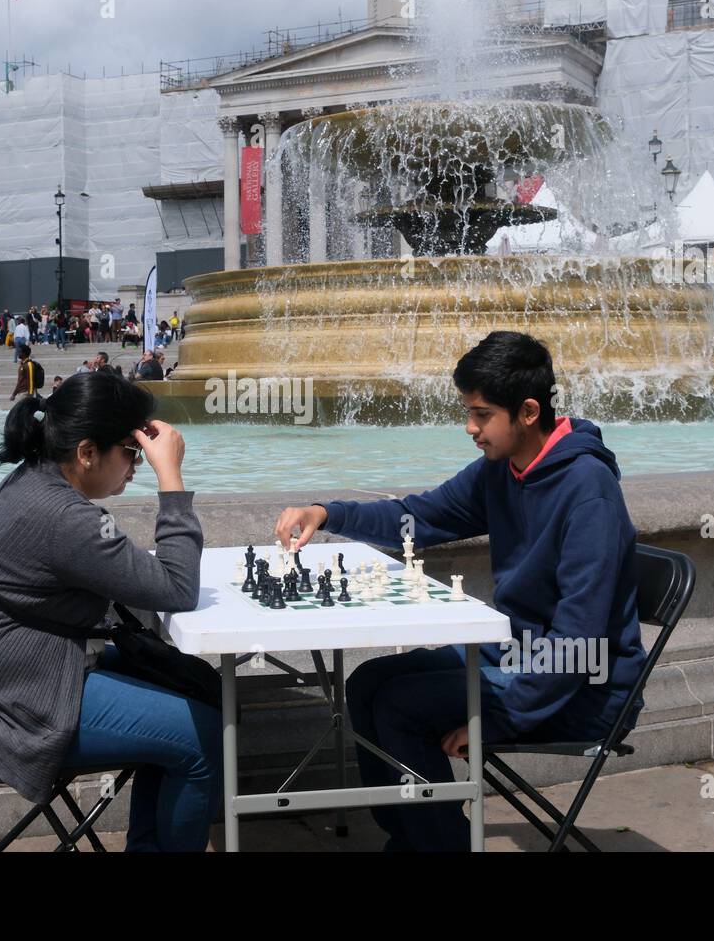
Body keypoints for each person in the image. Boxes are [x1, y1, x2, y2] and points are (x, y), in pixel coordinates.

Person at [273, 331, 647, 852]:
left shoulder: (588, 493)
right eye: (468, 413)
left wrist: (503, 712)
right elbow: (420, 516)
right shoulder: (502, 468)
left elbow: (580, 637)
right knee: (367, 683)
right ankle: (411, 837)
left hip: (587, 687)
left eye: (482, 414)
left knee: (404, 706)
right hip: (521, 654)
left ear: (529, 411)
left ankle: (435, 845)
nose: (471, 428)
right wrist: (329, 513)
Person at [0, 370, 220, 851]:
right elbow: (178, 589)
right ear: (87, 453)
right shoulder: (61, 516)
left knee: (196, 684)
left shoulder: (36, 482)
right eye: (131, 451)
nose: (136, 464)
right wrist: (172, 478)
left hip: (8, 678)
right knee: (202, 737)